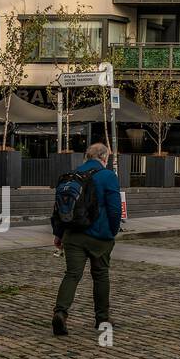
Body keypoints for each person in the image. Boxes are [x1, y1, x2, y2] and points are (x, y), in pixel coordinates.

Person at [52, 143, 122, 336]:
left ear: (87, 157)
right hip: (100, 236)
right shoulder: (108, 176)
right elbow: (115, 209)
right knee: (100, 275)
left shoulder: (72, 175)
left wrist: (58, 234)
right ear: (104, 157)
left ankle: (60, 313)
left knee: (72, 274)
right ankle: (102, 318)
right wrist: (113, 231)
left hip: (73, 235)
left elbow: (59, 209)